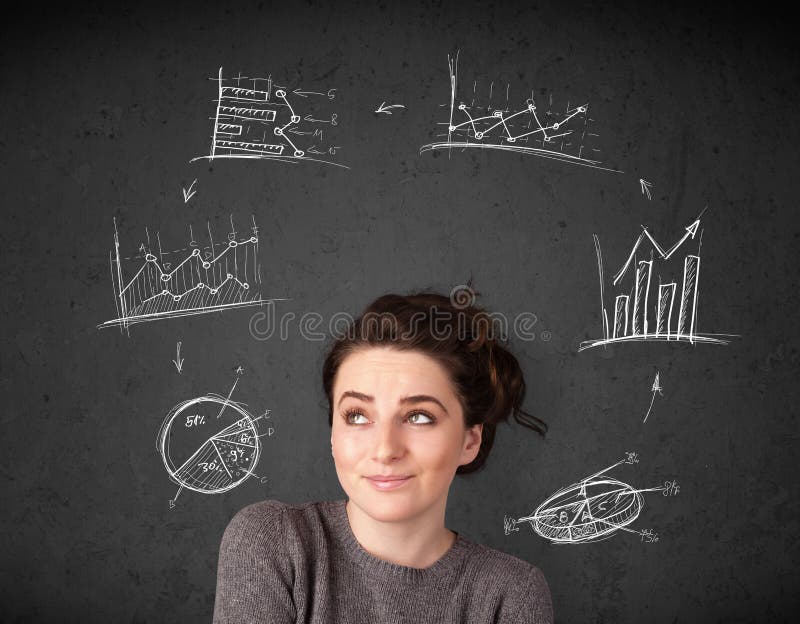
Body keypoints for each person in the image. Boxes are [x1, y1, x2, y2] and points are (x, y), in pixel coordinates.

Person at [213, 288, 553, 623]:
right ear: (334, 434)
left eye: (419, 416)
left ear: (469, 441)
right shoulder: (272, 542)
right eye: (357, 416)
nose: (385, 449)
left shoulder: (512, 595)